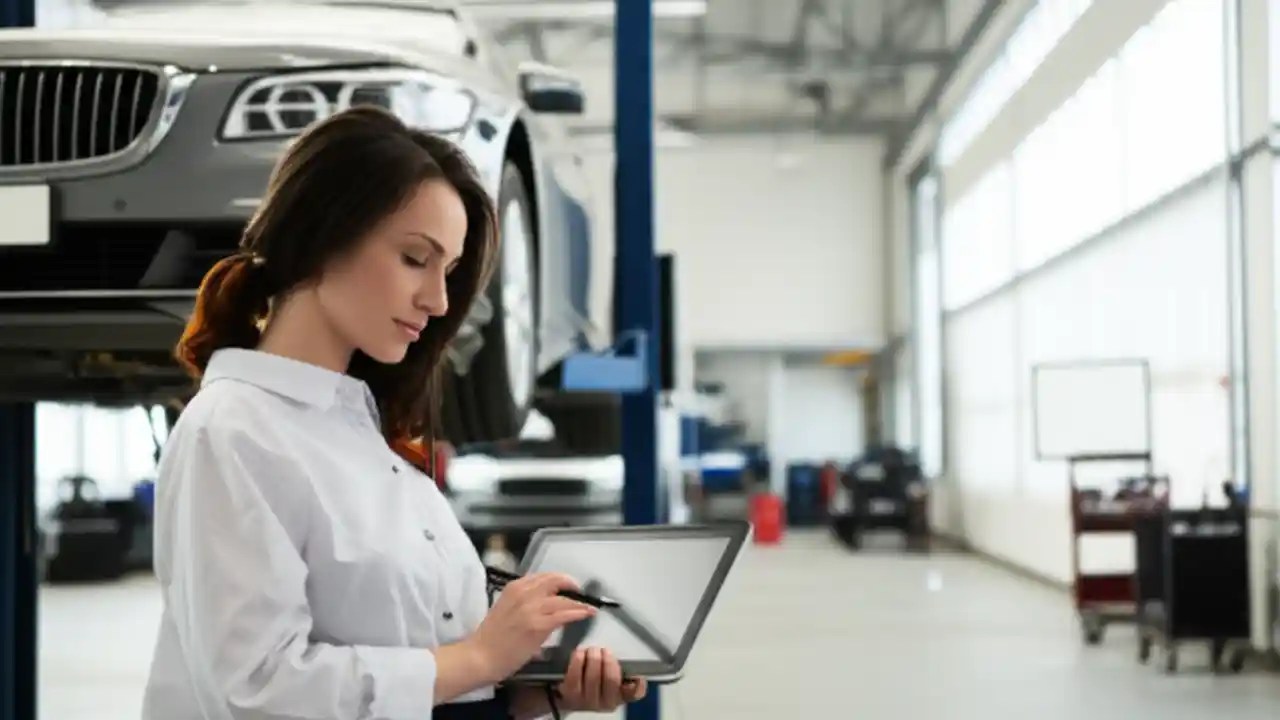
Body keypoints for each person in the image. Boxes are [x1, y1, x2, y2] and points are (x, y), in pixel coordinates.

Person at [141, 106, 647, 720]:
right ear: (323, 235)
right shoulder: (230, 433)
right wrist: (483, 658)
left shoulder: (371, 442)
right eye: (415, 258)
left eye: (450, 272)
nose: (437, 300)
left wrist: (537, 692)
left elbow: (425, 672)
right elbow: (257, 688)